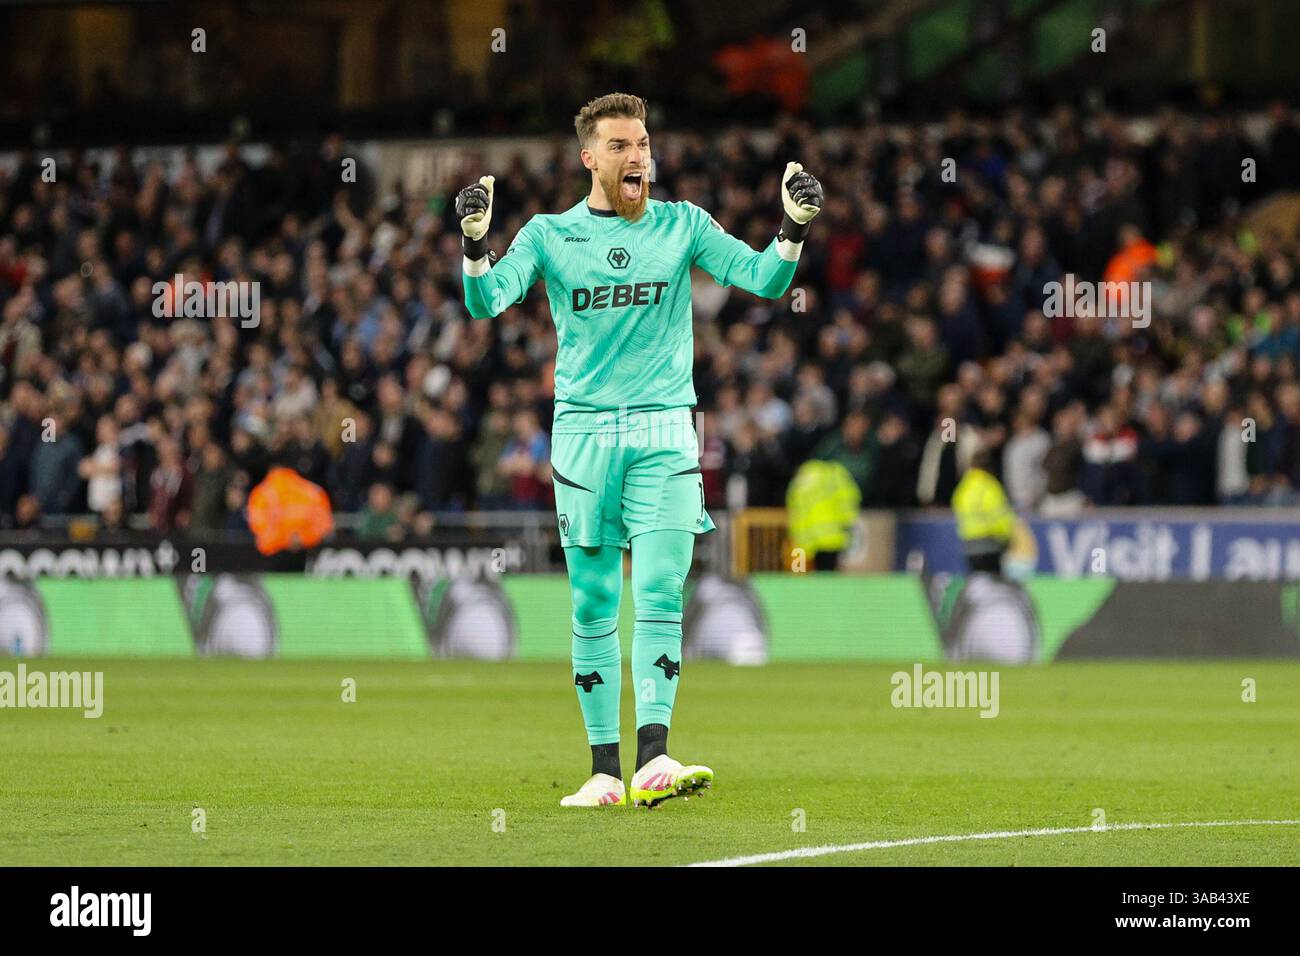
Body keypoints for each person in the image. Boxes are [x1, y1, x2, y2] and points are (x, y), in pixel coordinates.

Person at [457, 92, 823, 808]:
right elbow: (486, 303)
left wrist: (793, 226)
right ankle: (602, 770)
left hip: (663, 429)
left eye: (644, 144)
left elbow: (763, 279)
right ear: (589, 158)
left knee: (658, 587)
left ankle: (654, 757)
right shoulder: (547, 235)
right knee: (594, 602)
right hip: (585, 434)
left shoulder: (682, 224)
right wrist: (474, 244)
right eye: (621, 146)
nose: (639, 157)